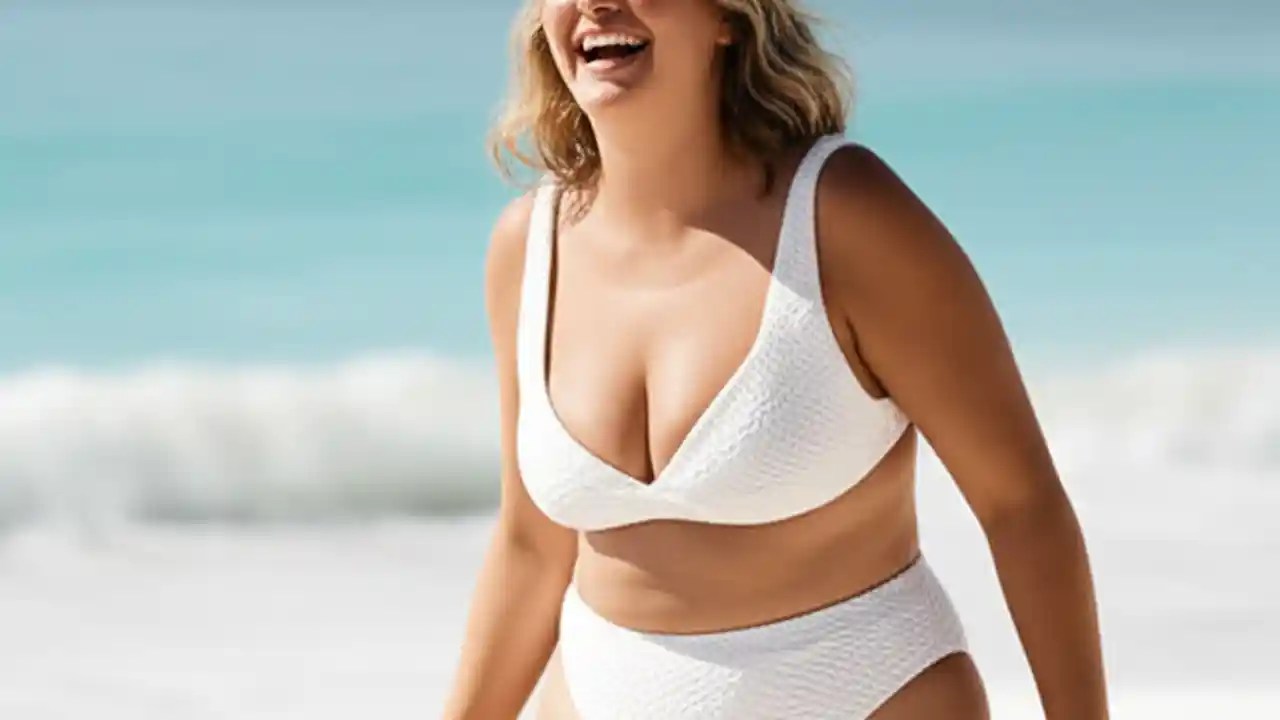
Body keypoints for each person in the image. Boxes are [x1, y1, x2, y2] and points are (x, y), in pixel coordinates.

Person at [444, 1, 1108, 718]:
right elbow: (532, 549)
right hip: (600, 689)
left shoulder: (843, 216)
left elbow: (1021, 506)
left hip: (861, 690)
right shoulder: (528, 247)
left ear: (729, 17)